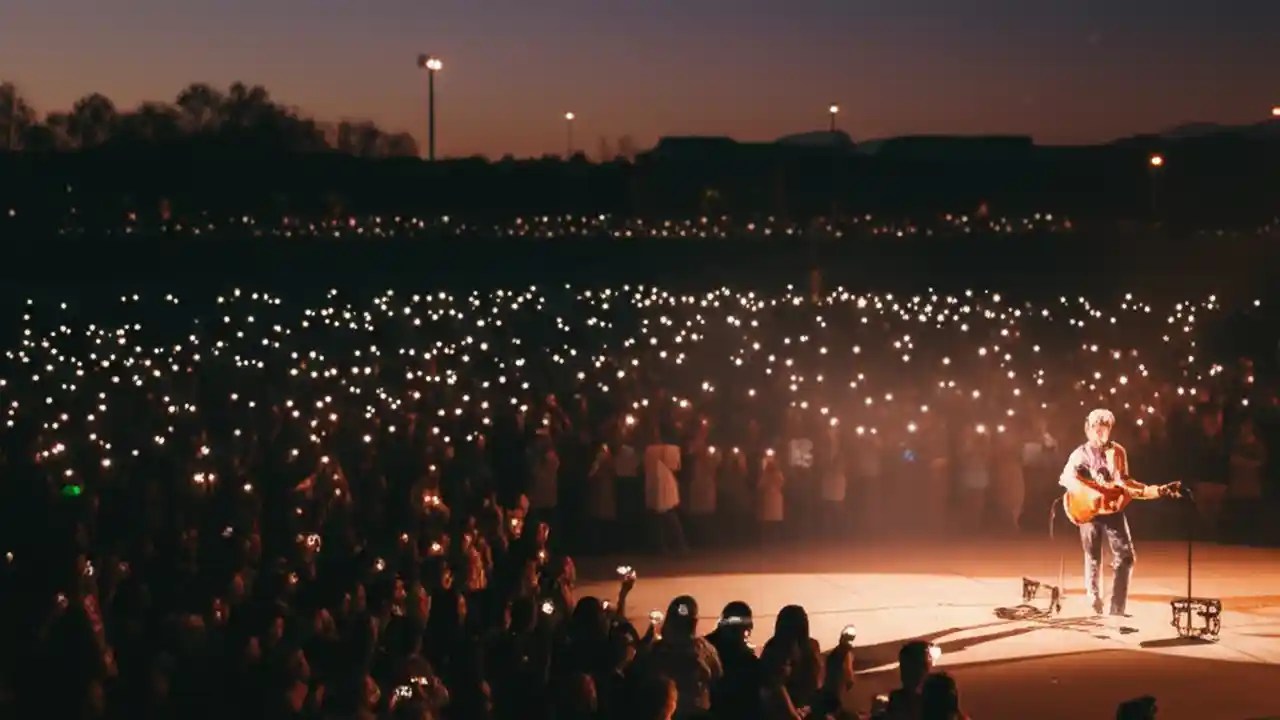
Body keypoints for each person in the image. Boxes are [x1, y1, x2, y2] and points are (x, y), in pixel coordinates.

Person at [1058, 408, 1170, 616]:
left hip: (1112, 509)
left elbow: (1124, 481)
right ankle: (1094, 599)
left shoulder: (1117, 452)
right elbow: (1066, 478)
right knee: (1093, 556)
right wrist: (1087, 488)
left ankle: (1117, 608)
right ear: (1088, 429)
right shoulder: (1079, 454)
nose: (1101, 434)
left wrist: (1154, 491)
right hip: (1089, 510)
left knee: (1126, 556)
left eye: (1105, 429)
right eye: (1096, 429)